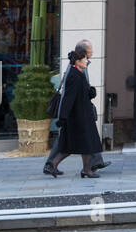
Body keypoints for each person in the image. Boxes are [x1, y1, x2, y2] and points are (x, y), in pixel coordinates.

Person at [43, 45, 104, 178]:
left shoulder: (78, 73)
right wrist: (62, 118)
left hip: (82, 115)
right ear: (77, 61)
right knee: (82, 144)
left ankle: (81, 169)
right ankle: (82, 169)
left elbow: (81, 94)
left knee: (82, 144)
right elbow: (68, 99)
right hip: (78, 117)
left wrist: (90, 92)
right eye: (85, 59)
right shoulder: (73, 75)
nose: (87, 61)